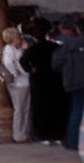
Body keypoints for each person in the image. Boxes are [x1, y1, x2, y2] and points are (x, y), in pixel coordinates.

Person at [19, 18, 69, 145]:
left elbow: (23, 62)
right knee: (57, 107)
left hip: (39, 80)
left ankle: (43, 135)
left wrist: (30, 69)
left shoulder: (33, 48)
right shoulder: (55, 46)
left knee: (41, 108)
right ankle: (58, 134)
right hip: (56, 79)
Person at [52, 15, 84, 150]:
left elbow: (56, 64)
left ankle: (72, 140)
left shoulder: (69, 44)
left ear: (77, 28)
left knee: (76, 110)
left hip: (75, 81)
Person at [1, 27, 31, 143]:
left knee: (25, 109)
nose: (21, 38)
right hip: (18, 83)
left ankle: (24, 133)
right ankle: (18, 135)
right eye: (19, 36)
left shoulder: (16, 48)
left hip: (24, 81)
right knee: (20, 109)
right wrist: (14, 72)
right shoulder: (9, 49)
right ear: (14, 38)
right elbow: (7, 62)